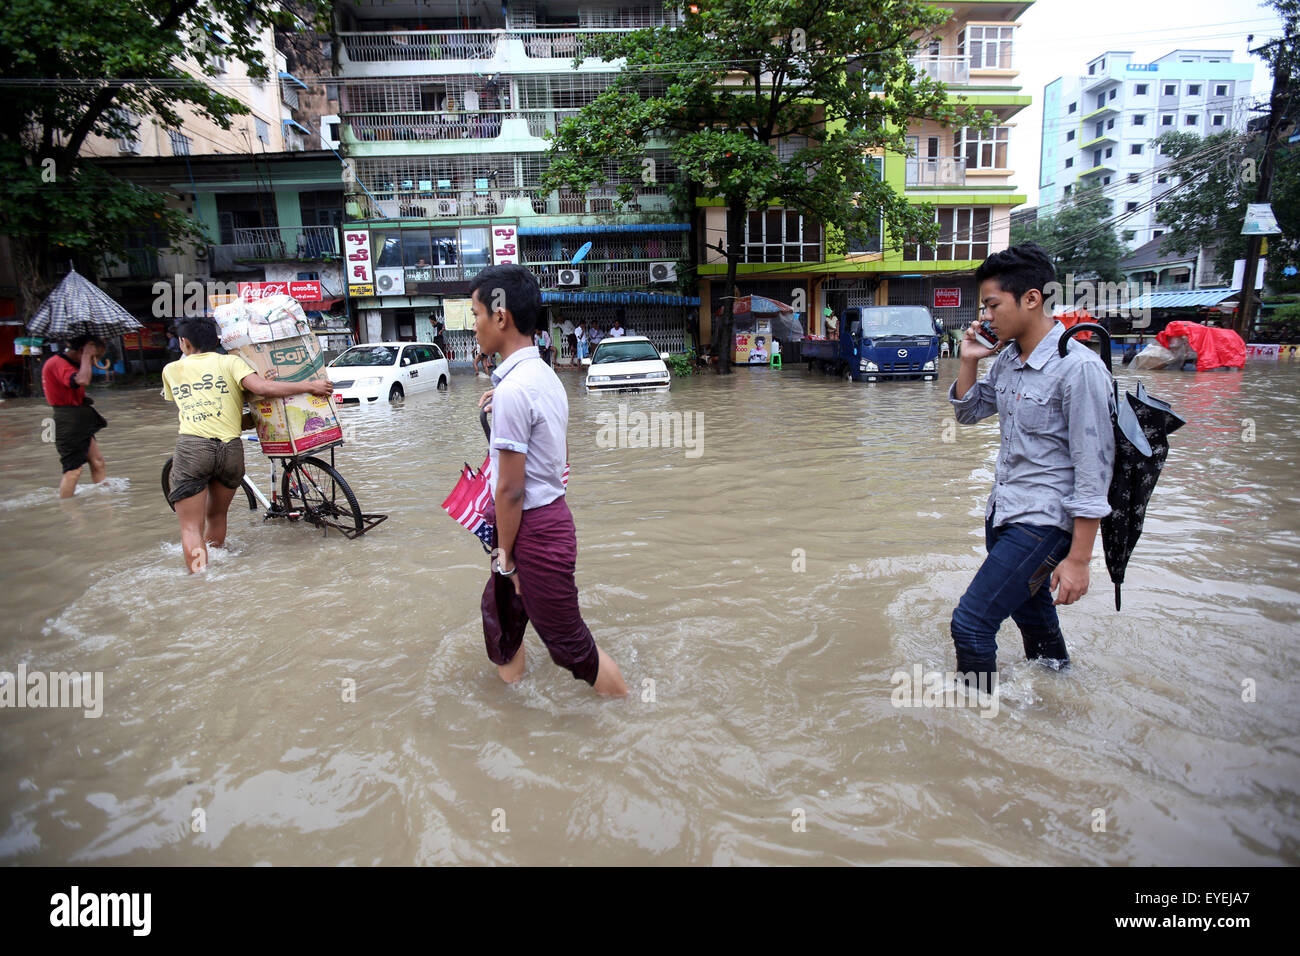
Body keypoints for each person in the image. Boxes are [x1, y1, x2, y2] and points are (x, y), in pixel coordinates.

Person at [948, 243, 1115, 690]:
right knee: (1034, 618)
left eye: (992, 305)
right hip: (1004, 513)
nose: (986, 317)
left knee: (970, 623)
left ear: (1032, 299)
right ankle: (1059, 702)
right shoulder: (1006, 359)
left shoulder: (1078, 369)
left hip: (1042, 526)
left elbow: (1094, 469)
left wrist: (1079, 559)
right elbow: (967, 413)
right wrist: (968, 360)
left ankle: (976, 723)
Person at [472, 264, 627, 697]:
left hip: (532, 531)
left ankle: (631, 711)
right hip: (539, 522)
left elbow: (511, 488)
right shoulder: (542, 377)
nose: (475, 324)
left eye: (477, 313)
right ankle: (512, 710)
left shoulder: (514, 390)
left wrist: (506, 560)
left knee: (571, 649)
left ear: (500, 317)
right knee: (502, 619)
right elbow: (558, 457)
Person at [162, 317, 333, 574]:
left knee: (190, 527)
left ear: (184, 342)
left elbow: (190, 405)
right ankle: (213, 558)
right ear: (216, 341)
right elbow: (263, 388)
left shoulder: (171, 370)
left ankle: (200, 581)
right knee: (217, 516)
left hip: (193, 449)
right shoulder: (231, 362)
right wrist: (311, 386)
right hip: (230, 450)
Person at [43, 334, 109, 499]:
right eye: (94, 357)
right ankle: (67, 510)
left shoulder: (71, 362)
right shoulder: (58, 363)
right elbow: (83, 379)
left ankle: (105, 503)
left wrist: (88, 355)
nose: (93, 361)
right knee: (73, 470)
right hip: (68, 419)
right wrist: (87, 355)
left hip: (80, 416)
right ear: (81, 351)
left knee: (97, 462)